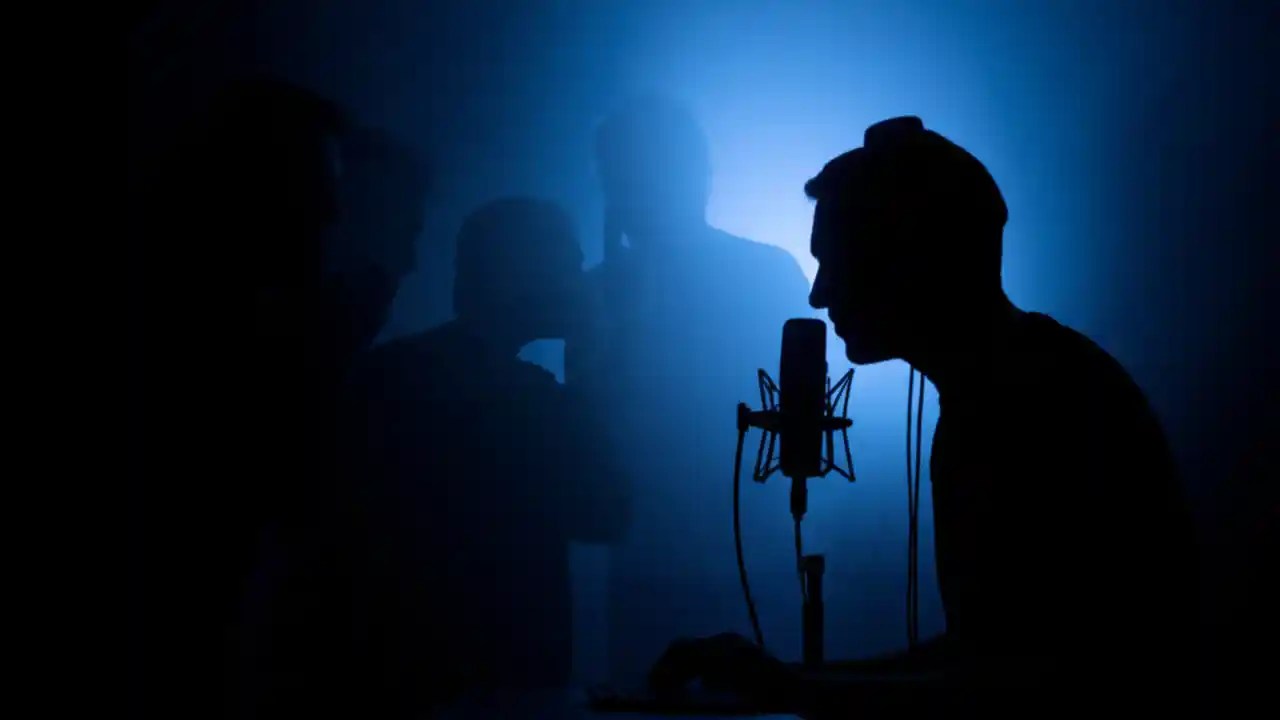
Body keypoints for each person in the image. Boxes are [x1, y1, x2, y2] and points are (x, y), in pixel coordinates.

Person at [648, 117, 1199, 718]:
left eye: (838, 262)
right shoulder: (1010, 385)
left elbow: (1038, 685)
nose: (819, 294)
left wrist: (791, 688)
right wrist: (786, 679)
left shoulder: (1041, 402)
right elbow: (988, 652)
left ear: (914, 258)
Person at [342, 197, 629, 717]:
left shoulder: (391, 372)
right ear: (524, 275)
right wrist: (589, 368)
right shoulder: (531, 399)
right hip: (496, 687)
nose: (580, 283)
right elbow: (605, 512)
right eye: (567, 266)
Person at [573, 94, 813, 684]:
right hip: (666, 552)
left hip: (734, 550)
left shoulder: (600, 290)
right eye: (618, 176)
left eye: (630, 174)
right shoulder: (762, 272)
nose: (626, 194)